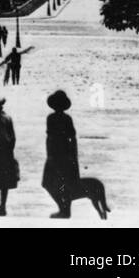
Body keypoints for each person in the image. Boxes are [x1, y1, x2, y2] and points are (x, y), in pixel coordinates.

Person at [42, 89, 79, 218]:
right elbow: (50, 137)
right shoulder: (53, 118)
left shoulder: (57, 118)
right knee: (51, 183)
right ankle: (63, 208)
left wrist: (72, 156)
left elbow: (71, 137)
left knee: (61, 183)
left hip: (61, 155)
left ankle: (65, 210)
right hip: (58, 155)